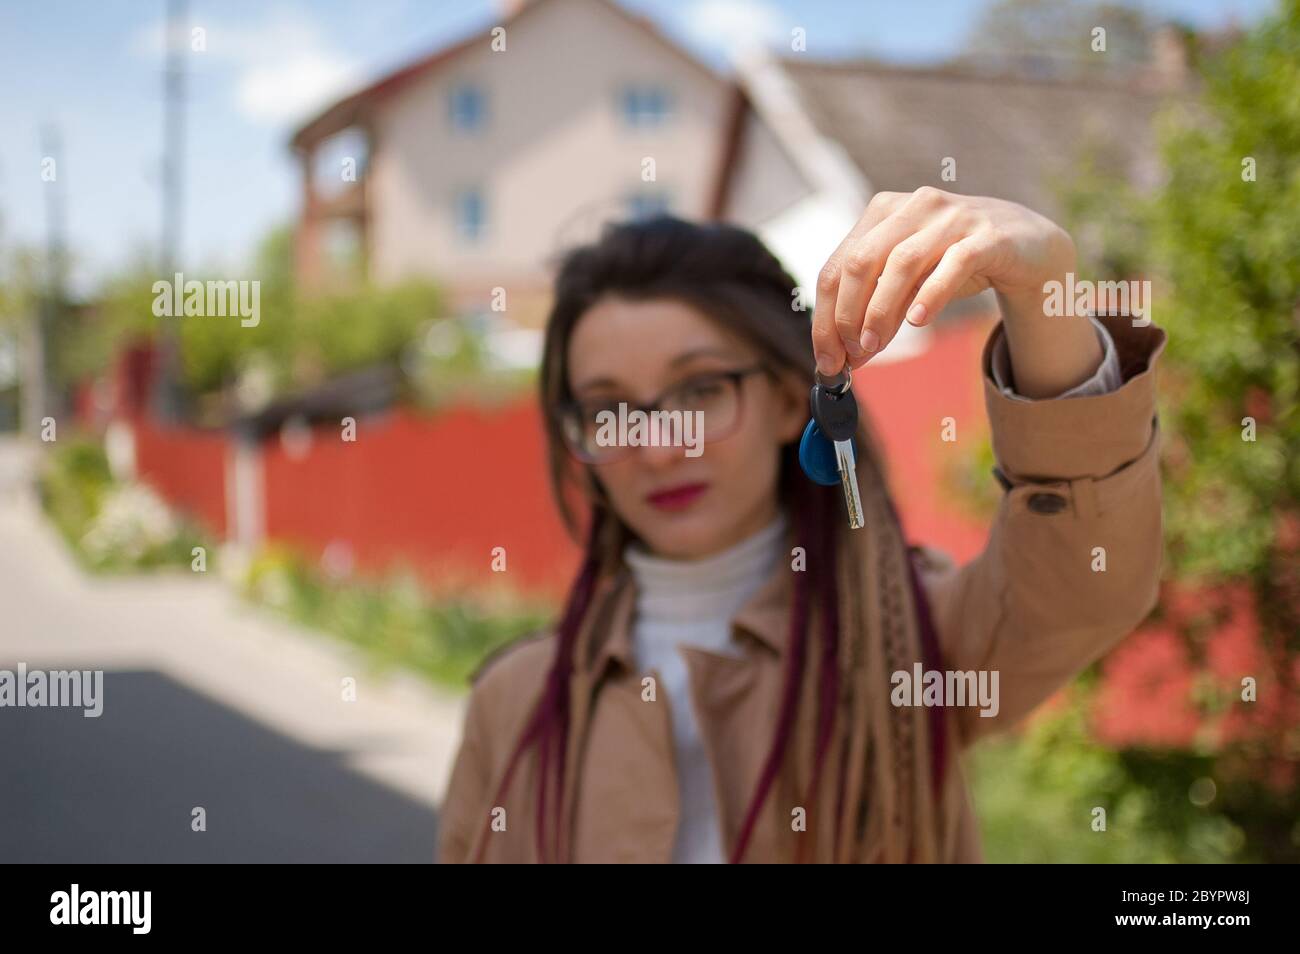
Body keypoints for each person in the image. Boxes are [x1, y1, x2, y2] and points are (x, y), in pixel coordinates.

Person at [437, 187, 1166, 863]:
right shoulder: (516, 700)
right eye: (609, 408)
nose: (659, 447)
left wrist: (1044, 293)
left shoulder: (913, 634)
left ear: (792, 401)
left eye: (700, 389)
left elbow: (1084, 587)